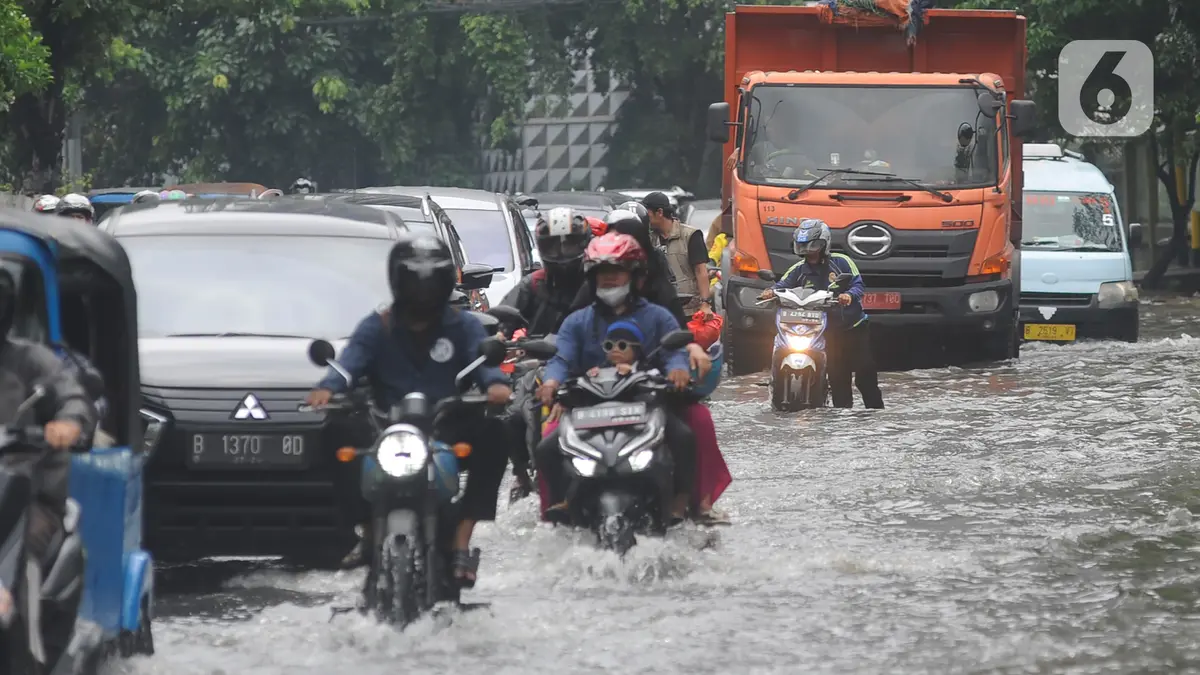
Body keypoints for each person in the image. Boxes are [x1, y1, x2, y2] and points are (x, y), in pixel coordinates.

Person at [304, 234, 512, 586]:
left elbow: (482, 361)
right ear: (399, 281)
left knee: (497, 432)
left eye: (431, 283)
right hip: (385, 426)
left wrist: (494, 385)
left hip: (446, 424)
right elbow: (350, 363)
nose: (423, 292)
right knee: (333, 432)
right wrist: (328, 388)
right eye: (415, 282)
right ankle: (367, 531)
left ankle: (462, 537)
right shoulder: (378, 326)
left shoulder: (463, 326)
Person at [535, 232, 697, 523]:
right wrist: (551, 383)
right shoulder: (576, 322)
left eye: (616, 272)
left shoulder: (659, 317)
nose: (608, 280)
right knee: (546, 445)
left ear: (635, 277)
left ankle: (681, 502)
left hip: (646, 404)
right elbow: (561, 358)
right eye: (602, 274)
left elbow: (676, 352)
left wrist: (678, 370)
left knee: (684, 437)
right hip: (587, 407)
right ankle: (560, 502)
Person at [757, 218, 884, 409]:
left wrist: (848, 296)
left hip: (853, 329)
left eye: (812, 246)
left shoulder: (842, 262)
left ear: (824, 244)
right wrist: (771, 292)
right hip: (825, 332)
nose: (809, 251)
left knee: (865, 375)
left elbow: (858, 285)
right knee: (837, 378)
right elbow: (782, 285)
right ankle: (842, 421)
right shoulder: (798, 269)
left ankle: (875, 415)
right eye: (804, 246)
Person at [642, 192, 713, 317]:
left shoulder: (690, 235)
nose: (645, 218)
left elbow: (700, 271)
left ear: (659, 212)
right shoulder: (649, 238)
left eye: (647, 214)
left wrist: (705, 303)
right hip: (660, 309)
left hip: (689, 310)